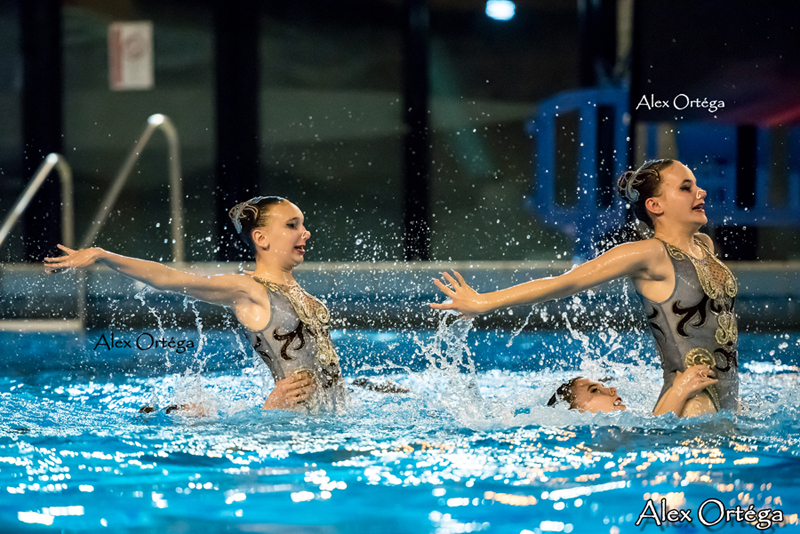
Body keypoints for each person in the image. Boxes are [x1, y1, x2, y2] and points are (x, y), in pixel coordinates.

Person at [432, 159, 739, 417]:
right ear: (655, 205)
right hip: (691, 400)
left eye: (695, 185)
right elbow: (566, 282)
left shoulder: (704, 246)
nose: (700, 192)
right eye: (686, 188)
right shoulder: (648, 254)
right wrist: (484, 302)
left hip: (728, 395)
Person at [45, 196, 346, 413]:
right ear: (261, 238)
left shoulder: (300, 292)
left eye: (302, 224)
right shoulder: (249, 288)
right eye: (292, 225)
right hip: (289, 425)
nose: (305, 232)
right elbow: (170, 277)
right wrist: (103, 255)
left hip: (327, 420)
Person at [547, 363, 718, 417]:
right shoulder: (599, 437)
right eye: (594, 391)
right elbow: (657, 437)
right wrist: (679, 391)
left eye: (603, 386)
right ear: (578, 412)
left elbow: (655, 424)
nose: (612, 390)